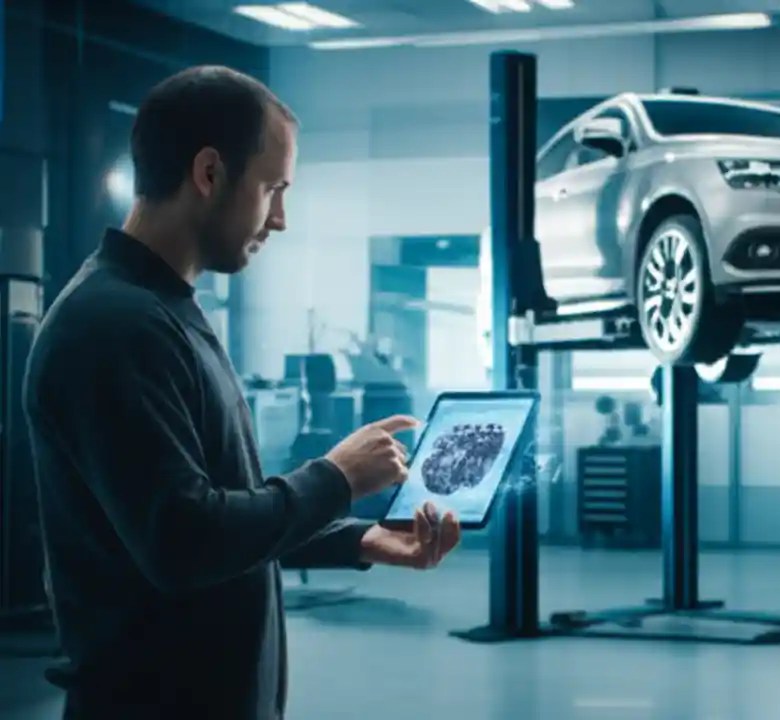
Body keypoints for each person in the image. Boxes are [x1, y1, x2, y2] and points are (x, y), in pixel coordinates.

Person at [24, 66, 461, 719]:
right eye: (273, 189)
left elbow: (219, 507)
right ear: (209, 173)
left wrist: (355, 540)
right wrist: (336, 478)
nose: (280, 219)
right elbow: (183, 540)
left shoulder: (162, 314)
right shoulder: (113, 327)